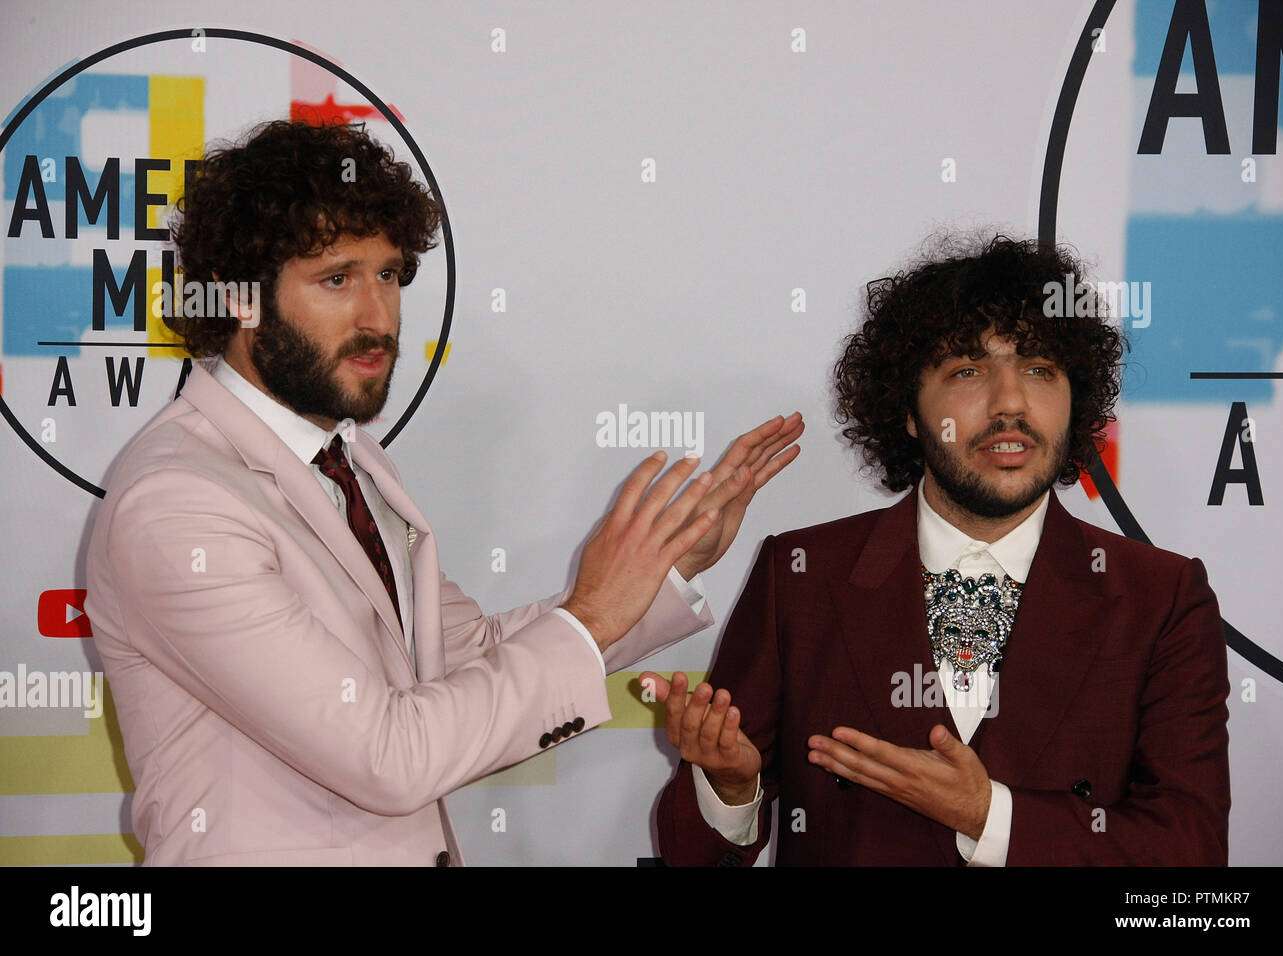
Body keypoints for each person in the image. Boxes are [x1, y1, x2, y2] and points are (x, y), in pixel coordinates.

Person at [83, 120, 803, 866]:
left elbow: (467, 655)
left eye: (389, 276)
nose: (378, 318)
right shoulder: (177, 501)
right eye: (337, 279)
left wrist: (662, 568)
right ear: (238, 298)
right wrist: (588, 615)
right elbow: (387, 755)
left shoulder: (352, 464)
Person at [644, 235, 1230, 866]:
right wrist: (731, 791)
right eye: (968, 372)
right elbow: (693, 857)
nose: (1010, 402)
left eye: (1040, 369)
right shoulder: (802, 575)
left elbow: (1189, 859)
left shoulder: (1160, 597)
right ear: (909, 412)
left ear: (1075, 401)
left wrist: (989, 818)